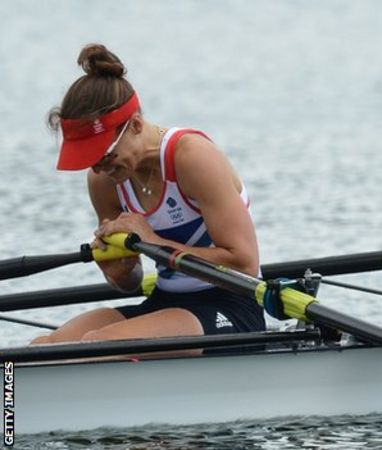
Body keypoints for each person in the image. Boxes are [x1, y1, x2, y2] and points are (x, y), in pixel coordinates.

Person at [31, 44, 266, 347]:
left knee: (99, 342)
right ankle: (12, 394)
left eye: (104, 154)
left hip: (233, 304)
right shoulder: (103, 181)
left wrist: (152, 241)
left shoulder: (192, 157)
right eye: (89, 158)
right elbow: (131, 284)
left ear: (136, 125)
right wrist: (119, 269)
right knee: (43, 347)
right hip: (164, 303)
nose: (99, 166)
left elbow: (244, 263)